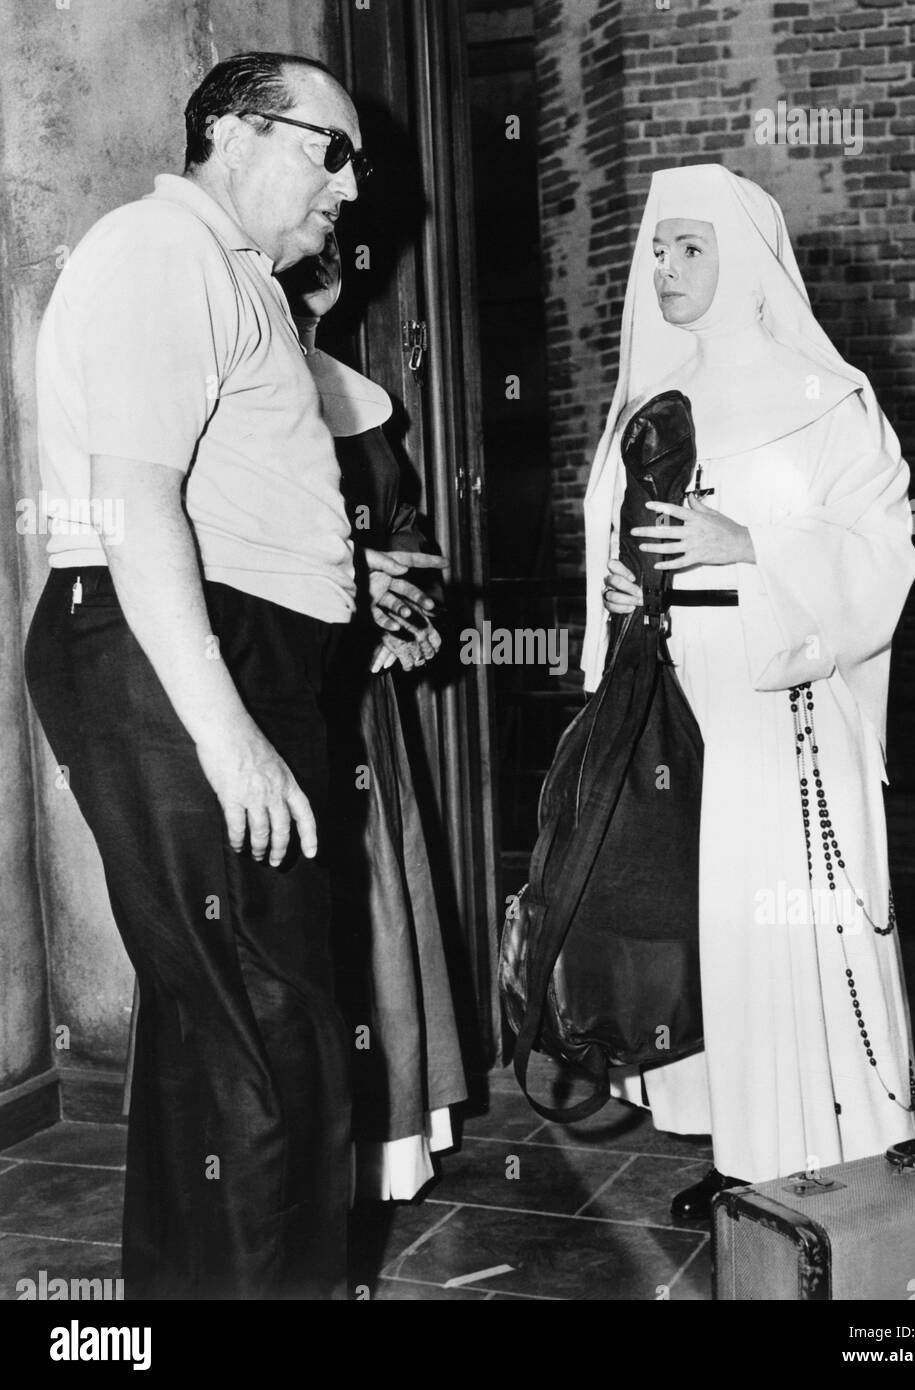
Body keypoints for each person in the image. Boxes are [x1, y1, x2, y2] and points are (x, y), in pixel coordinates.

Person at [24, 51, 423, 1299]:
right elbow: (136, 500)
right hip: (173, 661)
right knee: (274, 1038)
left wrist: (348, 610)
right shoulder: (162, 249)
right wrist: (227, 730)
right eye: (332, 150)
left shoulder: (234, 277)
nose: (351, 187)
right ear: (239, 135)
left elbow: (240, 503)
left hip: (223, 650)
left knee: (222, 1039)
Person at [585, 164, 915, 1219]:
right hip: (681, 705)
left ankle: (836, 1143)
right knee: (712, 926)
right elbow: (623, 544)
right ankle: (743, 1147)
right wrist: (619, 584)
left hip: (786, 704)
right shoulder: (647, 405)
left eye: (691, 248)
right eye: (657, 248)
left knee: (785, 923)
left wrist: (750, 545)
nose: (667, 268)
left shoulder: (826, 399)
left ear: (743, 260)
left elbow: (881, 554)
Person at [280, 240, 468, 1200]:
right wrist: (351, 586)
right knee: (317, 903)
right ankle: (327, 1146)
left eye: (322, 299)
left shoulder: (358, 405)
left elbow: (403, 529)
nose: (312, 316)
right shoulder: (238, 402)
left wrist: (406, 605)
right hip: (285, 682)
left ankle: (396, 1129)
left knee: (381, 893)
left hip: (367, 690)